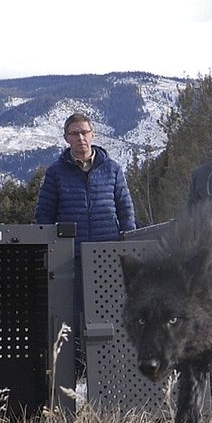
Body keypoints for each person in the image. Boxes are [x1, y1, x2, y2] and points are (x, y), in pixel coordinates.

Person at [34, 112, 136, 376]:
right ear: (66, 138)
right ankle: (77, 371)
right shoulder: (55, 174)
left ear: (93, 134)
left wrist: (128, 247)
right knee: (75, 316)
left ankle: (112, 369)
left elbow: (126, 211)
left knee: (111, 314)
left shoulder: (112, 169)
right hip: (72, 259)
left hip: (108, 257)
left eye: (84, 132)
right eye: (74, 133)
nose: (80, 138)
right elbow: (44, 217)